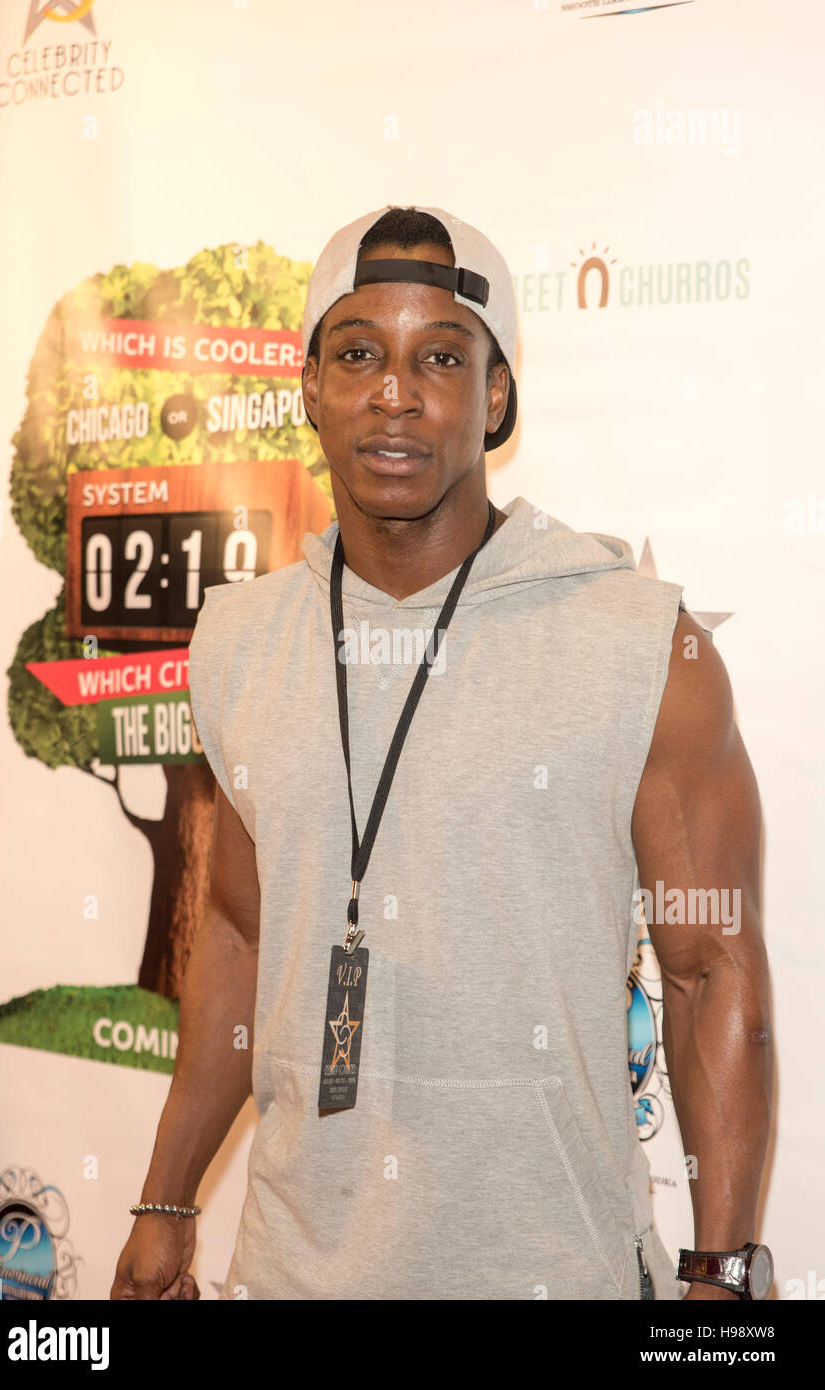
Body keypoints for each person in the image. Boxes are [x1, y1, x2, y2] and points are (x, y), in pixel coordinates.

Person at [111, 205, 773, 1301]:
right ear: (311, 386)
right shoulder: (239, 642)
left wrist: (721, 1278)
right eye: (359, 352)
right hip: (288, 1272)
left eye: (441, 358)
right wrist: (166, 1202)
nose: (394, 393)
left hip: (555, 1275)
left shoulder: (638, 642)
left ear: (496, 397)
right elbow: (236, 923)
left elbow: (713, 974)